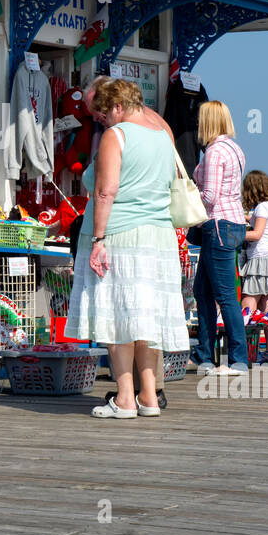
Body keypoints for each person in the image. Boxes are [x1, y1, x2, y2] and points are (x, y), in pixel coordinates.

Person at [67, 78, 186, 418]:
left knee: (118, 317)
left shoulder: (116, 136)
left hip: (122, 235)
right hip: (159, 236)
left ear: (117, 106)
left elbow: (106, 191)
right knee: (145, 319)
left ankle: (123, 398)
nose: (101, 120)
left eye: (102, 113)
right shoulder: (162, 135)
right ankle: (148, 396)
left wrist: (98, 239)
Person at [189, 101, 250, 375]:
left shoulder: (213, 152)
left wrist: (186, 200)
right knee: (203, 291)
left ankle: (238, 359)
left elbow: (210, 197)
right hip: (233, 223)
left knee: (225, 295)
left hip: (218, 224)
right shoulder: (235, 149)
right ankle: (204, 355)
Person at [241, 170, 268, 364]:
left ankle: (245, 350)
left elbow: (257, 234)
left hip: (259, 260)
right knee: (266, 306)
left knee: (248, 304)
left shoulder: (261, 208)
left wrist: (234, 235)